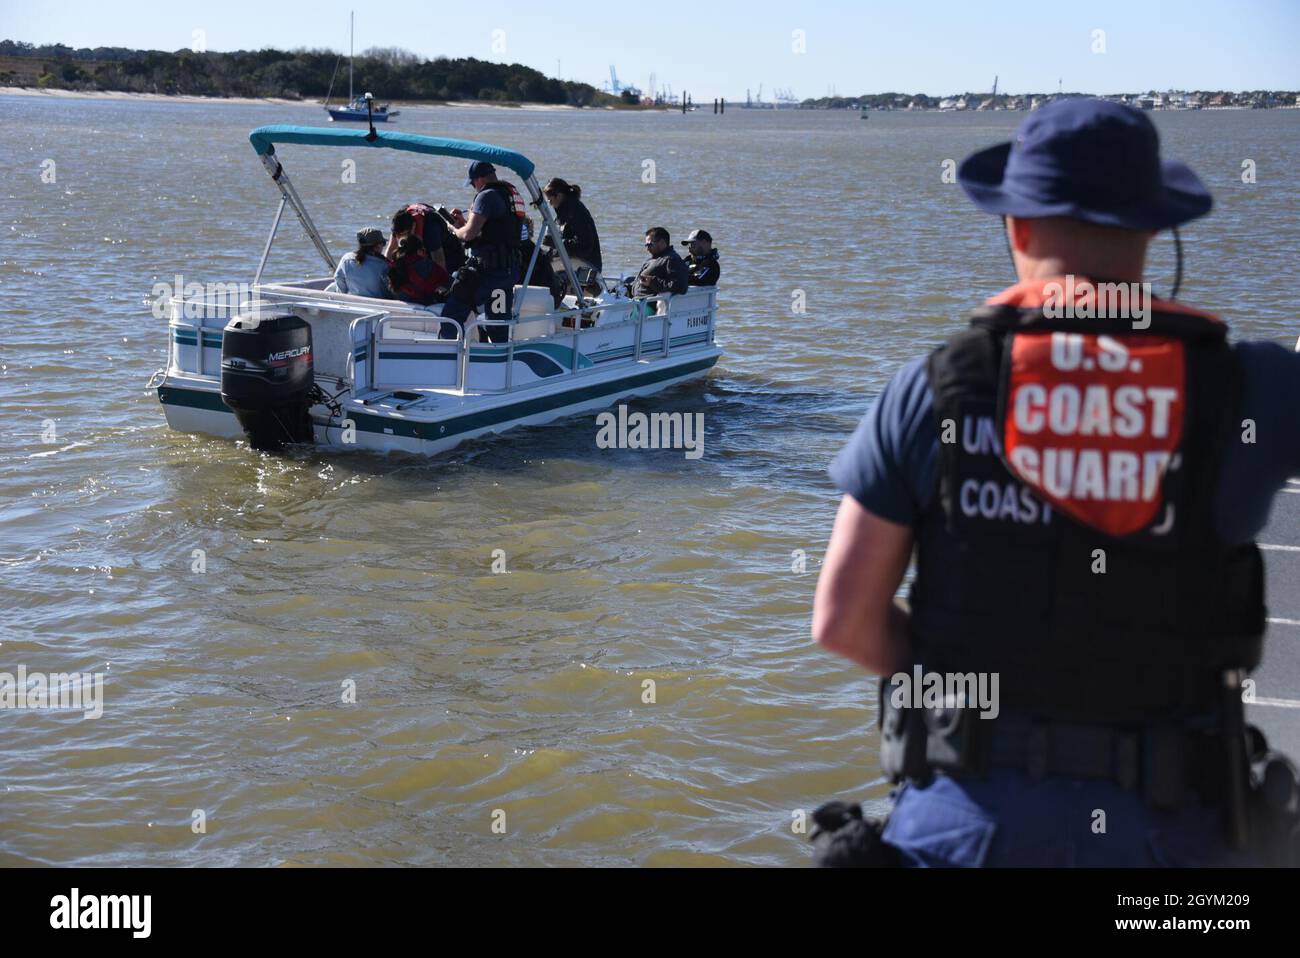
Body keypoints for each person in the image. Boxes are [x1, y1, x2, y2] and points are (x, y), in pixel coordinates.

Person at [812, 98, 1300, 868]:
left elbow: (842, 620)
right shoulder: (1255, 388)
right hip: (1175, 842)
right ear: (1152, 229)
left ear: (1016, 227)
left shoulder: (932, 389)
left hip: (965, 827)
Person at [444, 161, 525, 342]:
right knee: (497, 322)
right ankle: (499, 359)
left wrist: (453, 229)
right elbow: (493, 233)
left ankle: (449, 355)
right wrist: (463, 223)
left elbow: (468, 234)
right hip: (507, 272)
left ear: (479, 179)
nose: (474, 187)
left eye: (473, 183)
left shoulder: (486, 196)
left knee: (451, 314)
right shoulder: (509, 194)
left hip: (487, 272)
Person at [541, 177, 603, 274]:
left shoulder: (576, 212)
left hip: (587, 268)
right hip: (571, 266)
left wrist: (556, 242)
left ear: (559, 196)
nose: (550, 205)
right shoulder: (562, 214)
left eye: (550, 201)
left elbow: (585, 246)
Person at [386, 234, 450, 306]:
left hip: (401, 307)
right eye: (423, 250)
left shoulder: (392, 267)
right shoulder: (426, 265)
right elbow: (446, 279)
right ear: (418, 251)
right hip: (426, 307)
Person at [325, 227, 390, 298]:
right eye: (383, 243)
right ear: (378, 246)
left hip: (353, 305)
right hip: (378, 306)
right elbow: (388, 292)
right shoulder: (384, 265)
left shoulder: (346, 259)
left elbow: (339, 279)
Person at [386, 204, 449, 272]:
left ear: (413, 226)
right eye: (399, 235)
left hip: (445, 248)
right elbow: (390, 249)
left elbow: (439, 262)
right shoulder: (398, 224)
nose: (402, 240)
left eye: (404, 235)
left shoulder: (431, 230)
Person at [634, 227, 689, 298]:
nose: (647, 249)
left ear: (662, 243)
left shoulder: (672, 259)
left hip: (650, 304)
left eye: (649, 245)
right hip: (636, 302)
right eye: (646, 245)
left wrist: (652, 282)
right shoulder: (652, 259)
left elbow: (681, 286)